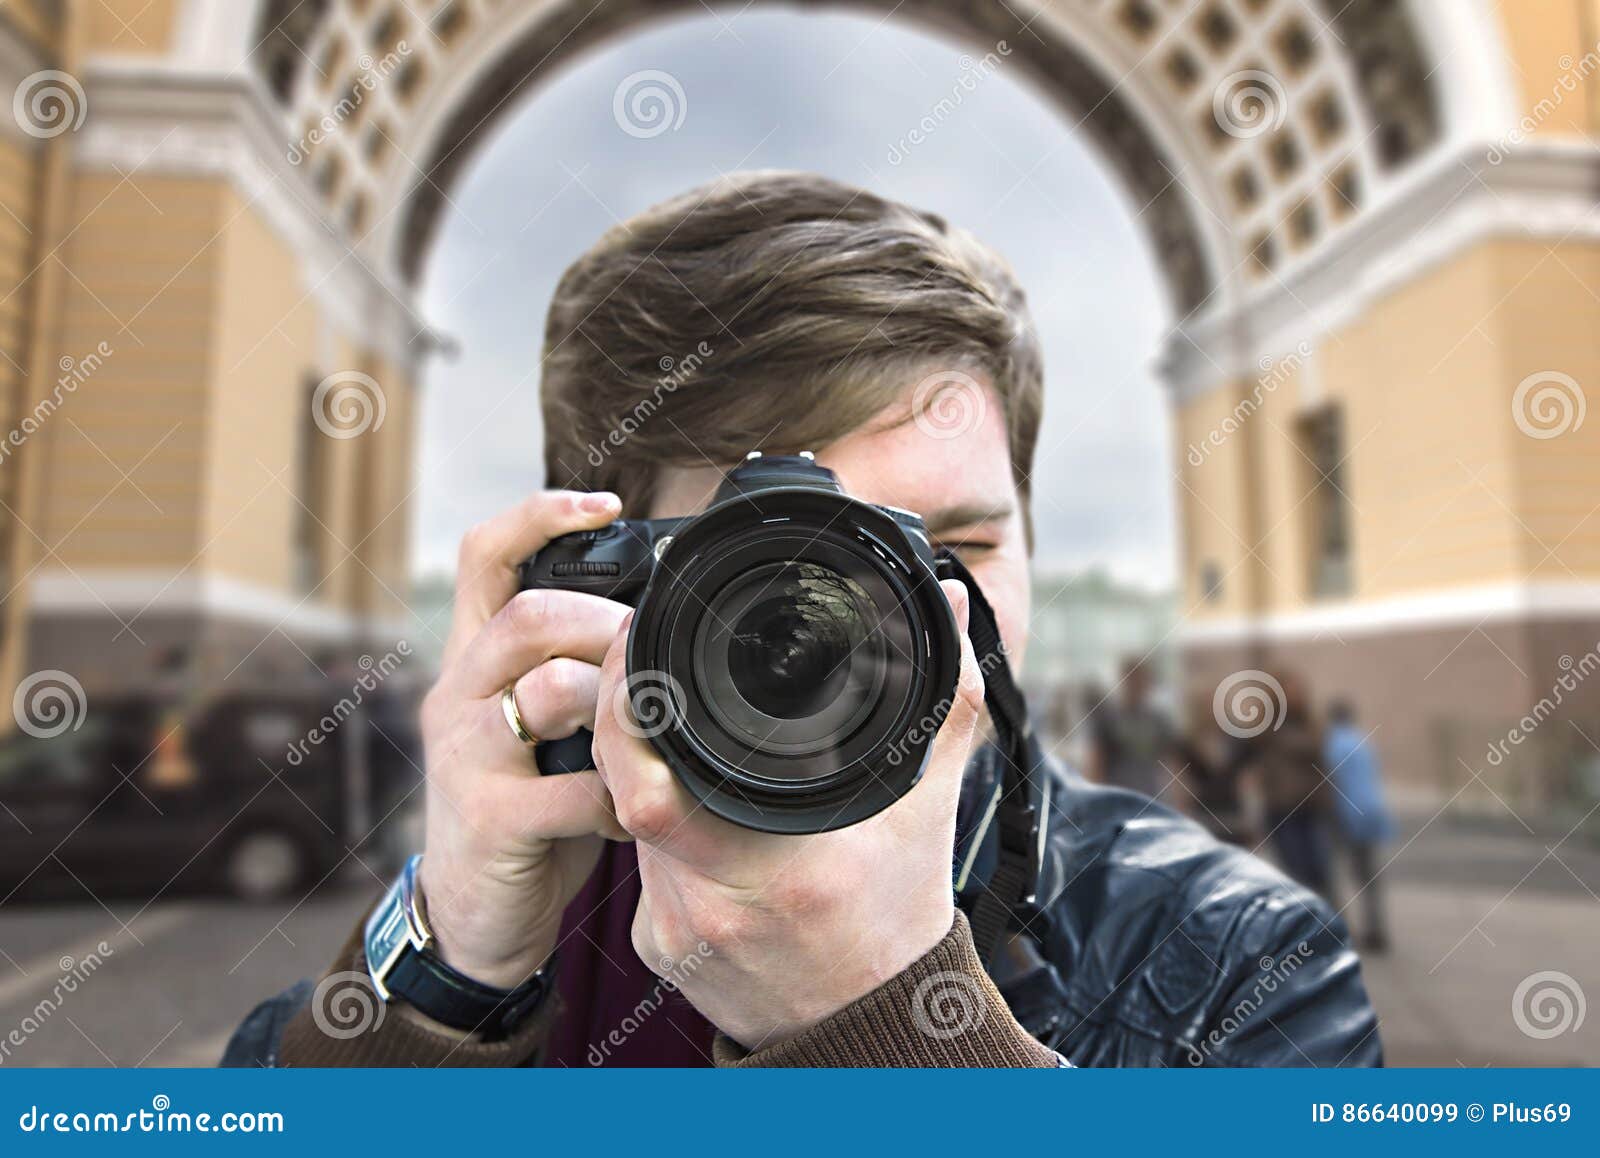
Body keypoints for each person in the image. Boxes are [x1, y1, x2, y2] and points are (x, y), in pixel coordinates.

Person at [224, 172, 1380, 1068]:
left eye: (955, 550)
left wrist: (889, 1025)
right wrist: (447, 969)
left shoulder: (1239, 960)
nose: (895, 619)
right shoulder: (545, 873)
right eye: (777, 571)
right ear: (594, 584)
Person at [1251, 672, 1336, 899]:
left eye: (1297, 690)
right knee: (1296, 874)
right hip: (1281, 809)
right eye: (1289, 690)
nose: (1295, 695)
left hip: (1311, 807)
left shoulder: (1311, 725)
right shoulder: (1267, 727)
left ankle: (1330, 927)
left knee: (1320, 872)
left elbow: (1316, 749)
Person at [1322, 701, 1395, 952]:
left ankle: (1337, 929)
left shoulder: (1332, 743)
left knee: (1331, 872)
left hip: (1346, 814)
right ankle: (1376, 929)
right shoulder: (1363, 741)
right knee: (1369, 876)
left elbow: (1332, 780)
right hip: (1371, 811)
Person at [1086, 659, 1180, 802]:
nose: (1137, 684)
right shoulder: (1107, 718)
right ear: (1124, 680)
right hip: (1118, 797)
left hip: (1150, 796)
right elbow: (1097, 762)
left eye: (1141, 679)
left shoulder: (1158, 720)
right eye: (1132, 679)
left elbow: (1172, 762)